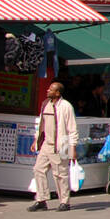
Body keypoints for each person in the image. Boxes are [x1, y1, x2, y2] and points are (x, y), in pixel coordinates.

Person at [29, 81, 78, 212]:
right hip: (47, 144)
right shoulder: (45, 104)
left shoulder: (66, 106)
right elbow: (41, 124)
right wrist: (36, 140)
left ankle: (64, 202)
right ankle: (41, 199)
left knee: (60, 174)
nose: (47, 91)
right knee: (38, 169)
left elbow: (72, 129)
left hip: (62, 143)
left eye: (51, 89)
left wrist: (72, 147)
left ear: (58, 93)